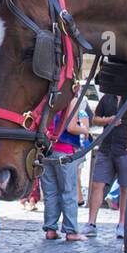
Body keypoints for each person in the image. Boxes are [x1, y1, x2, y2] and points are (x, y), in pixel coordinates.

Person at [40, 85, 89, 242]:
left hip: (46, 151)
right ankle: (71, 231)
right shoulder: (71, 100)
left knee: (50, 193)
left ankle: (50, 229)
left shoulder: (47, 99)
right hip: (65, 151)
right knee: (68, 192)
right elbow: (71, 127)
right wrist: (85, 130)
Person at [85, 92, 127, 239]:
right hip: (106, 148)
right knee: (97, 185)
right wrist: (108, 120)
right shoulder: (107, 98)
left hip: (125, 149)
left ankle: (122, 224)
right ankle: (91, 223)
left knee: (125, 187)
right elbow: (94, 119)